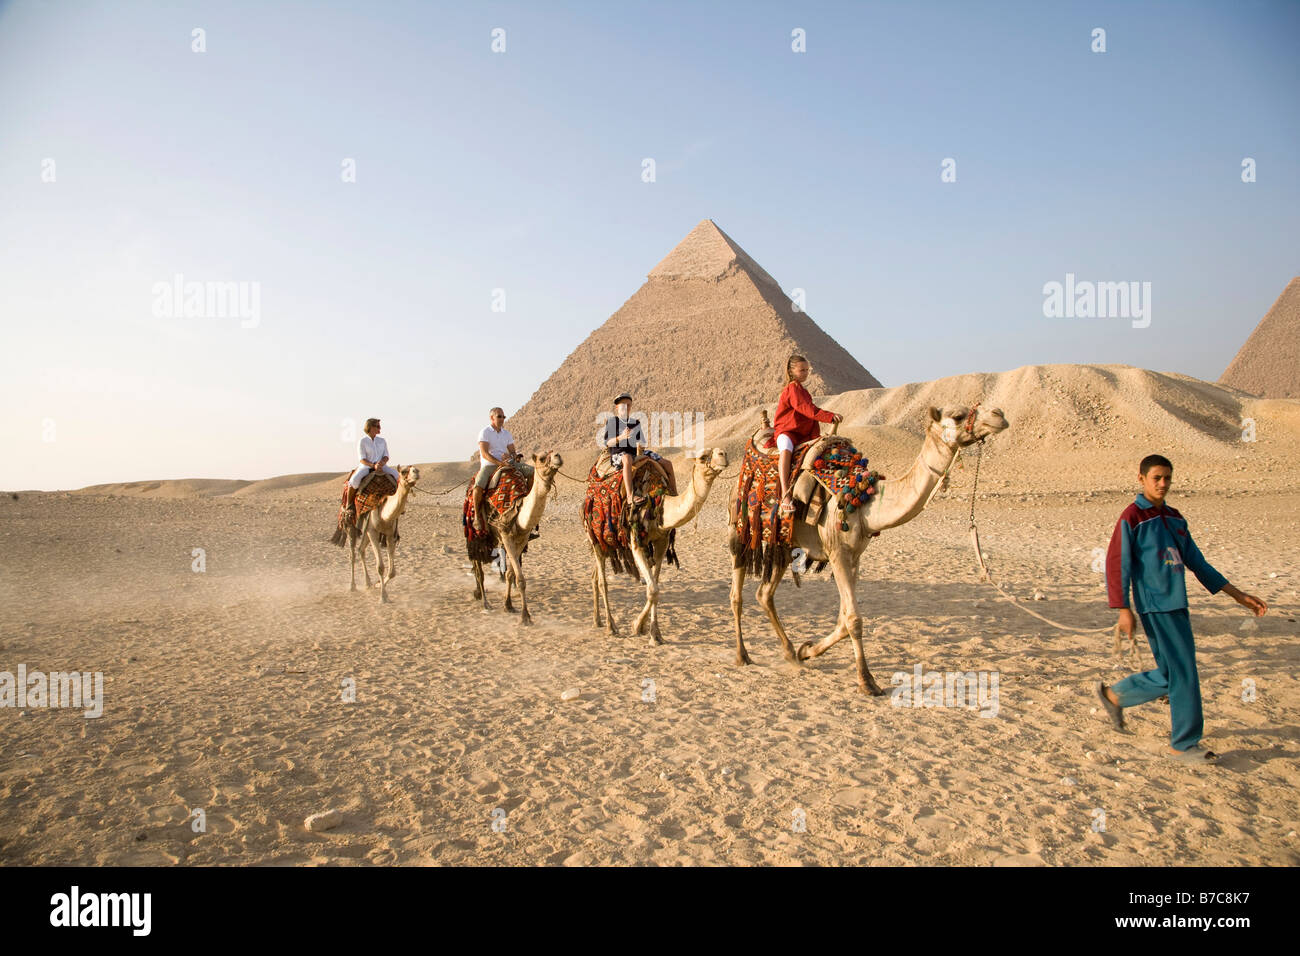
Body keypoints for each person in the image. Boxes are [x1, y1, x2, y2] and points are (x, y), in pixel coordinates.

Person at [1097, 454, 1267, 763]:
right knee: (1184, 672)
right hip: (1154, 605)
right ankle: (1184, 744)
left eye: (1167, 478)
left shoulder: (1175, 518)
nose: (1163, 484)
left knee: (1172, 672)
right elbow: (1116, 564)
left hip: (1178, 604)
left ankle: (1116, 695)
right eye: (1156, 478)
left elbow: (1197, 562)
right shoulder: (1132, 518)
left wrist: (1238, 595)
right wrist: (1123, 609)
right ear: (1141, 479)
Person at [773, 355, 841, 515]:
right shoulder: (792, 388)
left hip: (803, 434)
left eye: (807, 370)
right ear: (792, 371)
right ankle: (785, 493)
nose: (805, 373)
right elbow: (807, 409)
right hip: (787, 431)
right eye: (801, 370)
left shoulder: (802, 390)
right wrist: (829, 416)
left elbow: (809, 410)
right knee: (786, 449)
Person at [604, 392, 676, 508]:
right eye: (623, 405)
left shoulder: (635, 423)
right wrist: (621, 437)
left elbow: (642, 443)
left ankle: (674, 494)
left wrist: (641, 447)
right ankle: (629, 495)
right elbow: (608, 443)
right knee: (627, 458)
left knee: (667, 463)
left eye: (628, 405)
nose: (626, 408)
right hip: (619, 454)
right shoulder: (612, 422)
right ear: (617, 407)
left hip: (634, 453)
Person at [474, 407, 533, 533]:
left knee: (532, 471)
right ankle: (477, 516)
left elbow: (513, 452)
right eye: (499, 416)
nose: (502, 419)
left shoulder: (506, 434)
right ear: (492, 418)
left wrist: (512, 457)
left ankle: (527, 502)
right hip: (490, 465)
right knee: (478, 485)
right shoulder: (485, 432)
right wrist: (498, 463)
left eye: (503, 417)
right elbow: (484, 453)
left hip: (507, 463)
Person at [346, 418, 400, 519]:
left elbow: (386, 455)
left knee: (398, 476)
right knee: (354, 480)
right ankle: (349, 505)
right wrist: (373, 466)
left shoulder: (382, 441)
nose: (380, 428)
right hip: (366, 467)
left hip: (382, 466)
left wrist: (381, 463)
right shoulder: (362, 441)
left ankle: (399, 503)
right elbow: (362, 459)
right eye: (377, 426)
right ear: (370, 427)